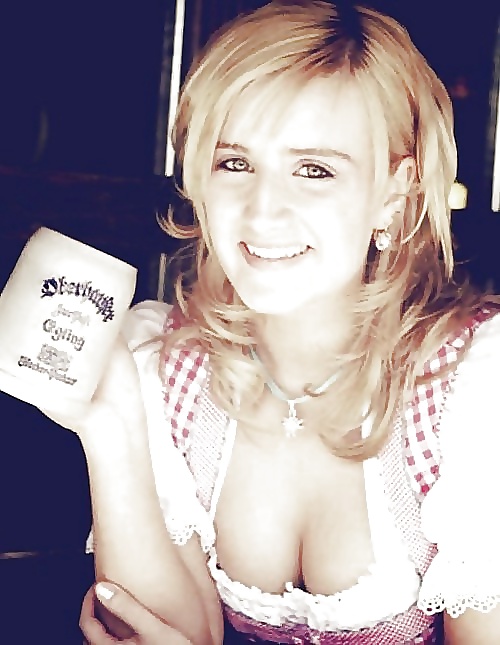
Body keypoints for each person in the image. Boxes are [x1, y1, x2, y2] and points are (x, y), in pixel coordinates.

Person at [64, 1, 500, 643]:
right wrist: (106, 427)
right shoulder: (165, 370)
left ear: (394, 195)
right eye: (234, 163)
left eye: (314, 170)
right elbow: (156, 631)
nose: (263, 211)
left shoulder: (472, 388)